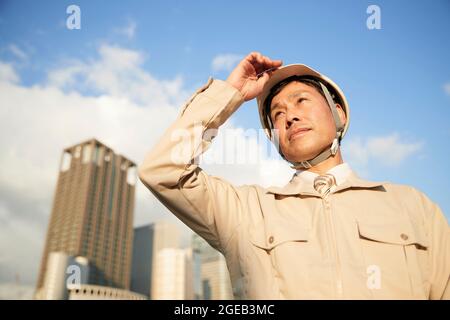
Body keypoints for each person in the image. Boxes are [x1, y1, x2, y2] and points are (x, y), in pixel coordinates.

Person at [138, 52, 449, 299]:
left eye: (301, 101)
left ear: (338, 112)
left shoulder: (413, 207)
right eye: (278, 114)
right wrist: (230, 94)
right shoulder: (246, 212)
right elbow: (163, 170)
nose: (291, 116)